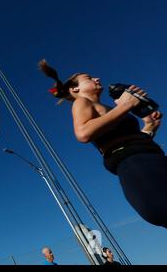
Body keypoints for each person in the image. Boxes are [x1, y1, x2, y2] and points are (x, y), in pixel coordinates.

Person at [39, 60, 167, 228]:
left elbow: (128, 141)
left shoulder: (108, 107)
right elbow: (83, 133)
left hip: (153, 157)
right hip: (135, 165)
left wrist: (150, 127)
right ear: (75, 89)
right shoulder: (82, 102)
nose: (97, 78)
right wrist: (127, 105)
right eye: (89, 78)